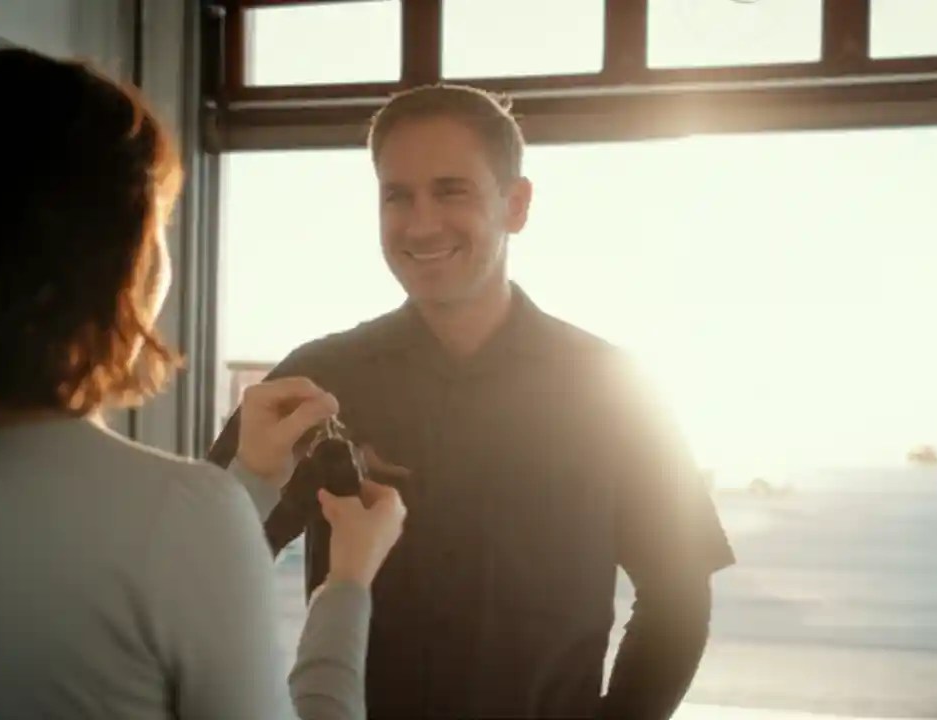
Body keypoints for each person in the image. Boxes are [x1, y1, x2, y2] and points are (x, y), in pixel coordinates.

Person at [0, 48, 406, 720]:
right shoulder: (187, 516)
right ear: (120, 260)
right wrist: (348, 585)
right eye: (163, 223)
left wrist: (248, 484)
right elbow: (133, 562)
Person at [208, 84, 736, 719]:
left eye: (450, 191)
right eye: (396, 196)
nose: (420, 224)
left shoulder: (613, 388)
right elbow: (207, 576)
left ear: (516, 205)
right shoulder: (318, 378)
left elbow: (679, 598)